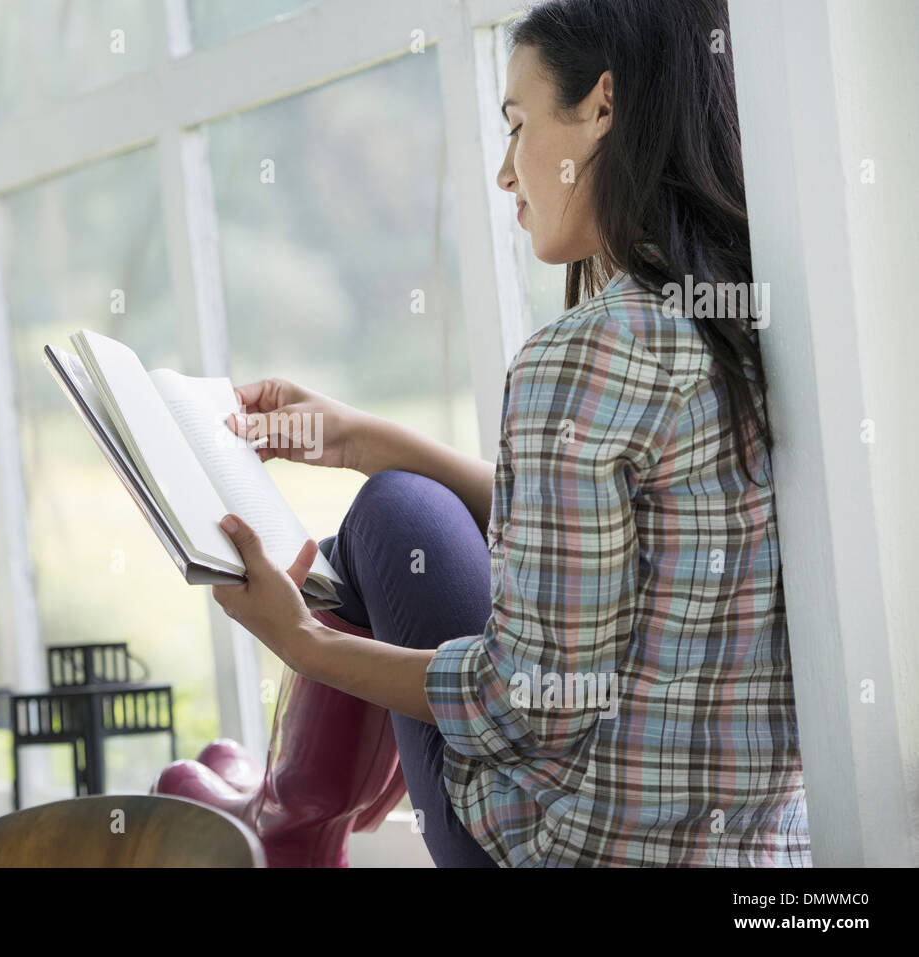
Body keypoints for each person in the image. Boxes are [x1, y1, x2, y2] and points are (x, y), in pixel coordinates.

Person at [204, 0, 811, 867]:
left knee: (391, 514)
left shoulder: (587, 351)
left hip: (570, 852)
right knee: (400, 499)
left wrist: (302, 640)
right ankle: (294, 818)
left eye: (517, 125)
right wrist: (358, 436)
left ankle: (290, 821)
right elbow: (607, 546)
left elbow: (520, 704)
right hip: (761, 860)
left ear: (602, 109)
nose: (503, 172)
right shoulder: (748, 317)